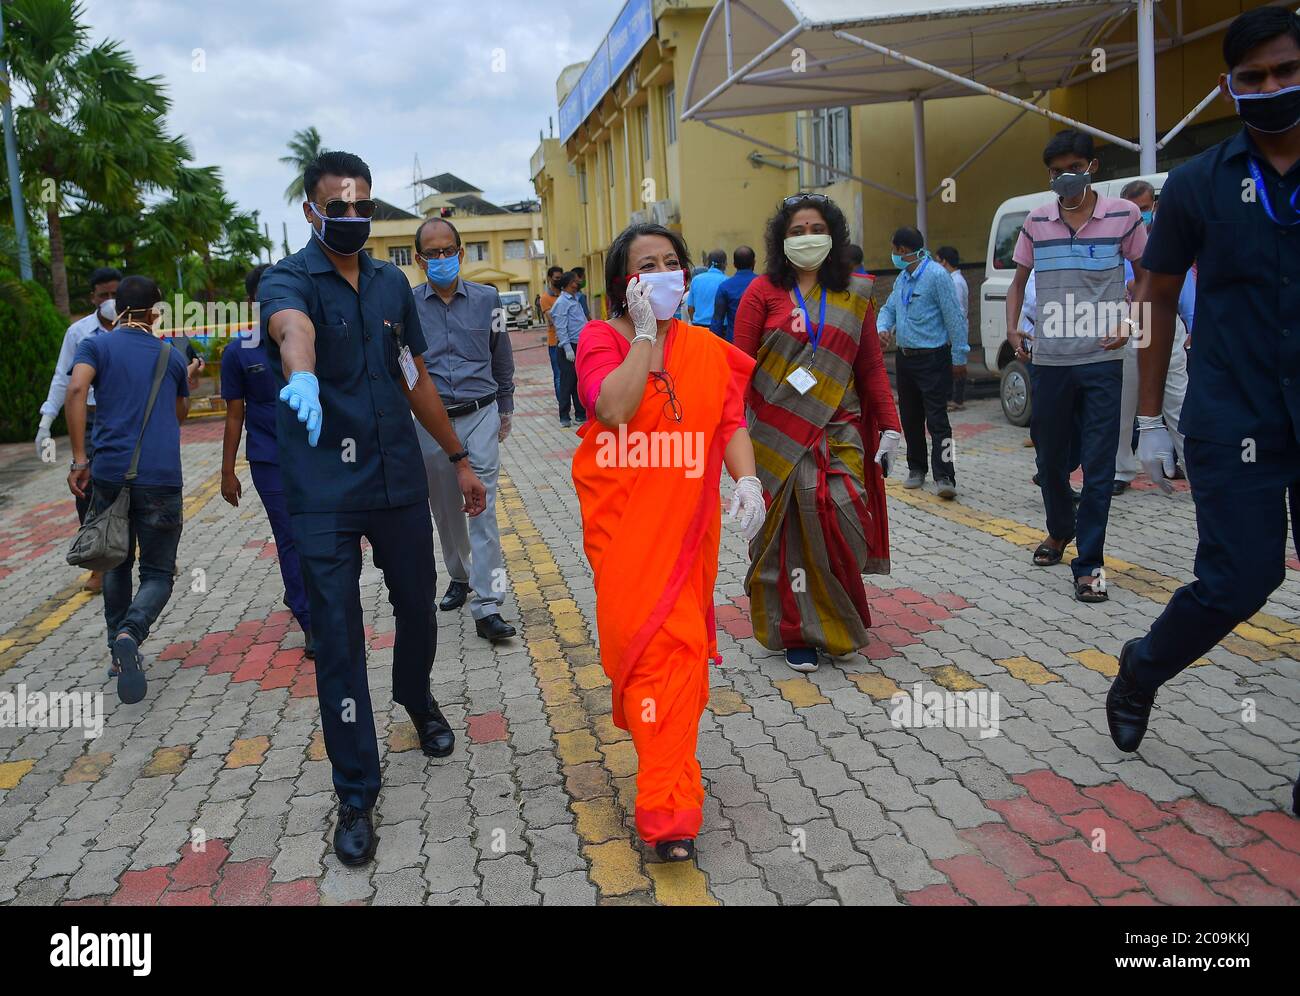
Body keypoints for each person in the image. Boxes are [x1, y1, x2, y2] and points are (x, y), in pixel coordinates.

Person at [257, 150, 487, 866]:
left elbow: (412, 376)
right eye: (339, 208)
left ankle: (416, 698)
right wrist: (301, 374)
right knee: (337, 633)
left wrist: (456, 455)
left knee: (419, 606)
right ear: (311, 211)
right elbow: (295, 330)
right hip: (324, 488)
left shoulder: (392, 285)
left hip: (396, 480)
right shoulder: (287, 278)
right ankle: (355, 789)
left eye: (364, 207)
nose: (353, 219)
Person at [1105, 7, 1300, 818]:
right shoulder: (1197, 183)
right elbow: (1153, 296)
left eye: (1285, 71)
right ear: (1228, 87)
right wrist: (1151, 418)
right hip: (1236, 413)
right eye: (1251, 78)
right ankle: (1143, 667)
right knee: (1239, 580)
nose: (1271, 89)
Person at [571, 222, 761, 861]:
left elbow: (728, 421)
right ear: (624, 284)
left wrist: (749, 480)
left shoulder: (706, 347)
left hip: (685, 535)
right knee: (643, 648)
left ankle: (668, 809)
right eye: (646, 265)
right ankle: (669, 785)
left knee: (676, 658)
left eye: (671, 262)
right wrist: (645, 338)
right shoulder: (601, 338)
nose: (662, 274)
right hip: (625, 537)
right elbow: (612, 411)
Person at [734, 193, 901, 673]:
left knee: (843, 517)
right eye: (797, 231)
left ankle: (833, 617)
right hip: (776, 436)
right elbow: (738, 367)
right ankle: (797, 632)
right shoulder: (761, 293)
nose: (807, 239)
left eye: (816, 229)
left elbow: (869, 365)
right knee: (788, 535)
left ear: (834, 236)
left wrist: (890, 426)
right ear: (781, 240)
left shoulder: (855, 292)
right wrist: (728, 438)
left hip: (840, 431)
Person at [1006, 129, 1147, 603]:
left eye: (1072, 167)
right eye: (1054, 170)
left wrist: (1131, 321)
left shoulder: (1124, 216)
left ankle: (1090, 564)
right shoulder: (1037, 220)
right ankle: (1059, 530)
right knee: (1049, 461)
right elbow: (1017, 282)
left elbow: (1146, 277)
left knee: (1100, 465)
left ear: (1093, 168)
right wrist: (1012, 327)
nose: (1063, 177)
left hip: (1103, 359)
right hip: (1050, 362)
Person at [65, 275, 191, 705]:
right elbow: (180, 412)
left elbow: (77, 388)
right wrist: (184, 376)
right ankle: (130, 633)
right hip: (160, 477)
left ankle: (118, 654)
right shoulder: (170, 355)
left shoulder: (96, 346)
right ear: (155, 313)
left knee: (114, 561)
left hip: (109, 473)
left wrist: (80, 458)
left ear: (115, 307)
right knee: (157, 573)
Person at [411, 216, 518, 643]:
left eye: (448, 250)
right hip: (431, 421)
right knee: (445, 505)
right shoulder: (407, 306)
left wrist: (506, 408)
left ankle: (488, 602)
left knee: (483, 503)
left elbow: (502, 355)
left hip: (481, 412)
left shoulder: (489, 300)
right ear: (419, 259)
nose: (442, 258)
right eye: (432, 253)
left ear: (461, 251)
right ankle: (459, 575)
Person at [220, 263, 314, 659]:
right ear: (251, 301)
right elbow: (234, 414)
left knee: (320, 535)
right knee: (290, 536)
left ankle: (326, 606)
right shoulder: (238, 350)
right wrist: (227, 472)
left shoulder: (309, 338)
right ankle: (309, 620)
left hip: (315, 453)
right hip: (269, 459)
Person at [37, 266, 121, 593]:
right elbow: (64, 379)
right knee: (87, 489)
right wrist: (46, 420)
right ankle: (97, 565)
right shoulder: (78, 333)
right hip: (90, 418)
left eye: (116, 293)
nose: (110, 300)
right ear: (93, 298)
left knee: (139, 485)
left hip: (127, 416)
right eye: (104, 295)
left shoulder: (139, 328)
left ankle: (156, 556)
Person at [1112, 179, 1194, 493]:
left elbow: (1182, 288)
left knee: (1179, 400)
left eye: (1144, 209)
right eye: (1135, 210)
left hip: (1165, 325)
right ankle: (1120, 470)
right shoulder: (1116, 240)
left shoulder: (1169, 235)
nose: (1141, 215)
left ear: (1154, 206)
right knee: (1124, 402)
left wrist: (1193, 323)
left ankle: (1194, 465)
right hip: (1127, 327)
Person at [877, 226, 967, 499]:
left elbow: (954, 317)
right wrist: (883, 328)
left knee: (938, 420)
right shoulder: (903, 278)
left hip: (933, 358)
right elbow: (889, 309)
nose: (892, 255)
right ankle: (917, 468)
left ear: (903, 251)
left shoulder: (937, 276)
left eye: (894, 250)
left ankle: (946, 475)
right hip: (905, 359)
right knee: (910, 417)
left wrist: (959, 356)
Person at [935, 246, 970, 412]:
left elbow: (956, 311)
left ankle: (957, 399)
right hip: (957, 328)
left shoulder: (955, 282)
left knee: (957, 363)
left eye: (938, 261)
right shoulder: (956, 280)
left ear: (944, 261)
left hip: (956, 328)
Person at [550, 271, 587, 426]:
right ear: (566, 284)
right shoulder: (561, 303)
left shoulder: (575, 299)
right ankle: (564, 416)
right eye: (573, 281)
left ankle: (580, 414)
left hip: (579, 345)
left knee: (578, 382)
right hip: (568, 346)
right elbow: (560, 327)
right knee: (567, 383)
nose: (576, 284)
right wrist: (567, 348)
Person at [709, 246, 758, 342]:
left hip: (734, 341)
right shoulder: (763, 284)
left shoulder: (725, 286)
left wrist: (714, 344)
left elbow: (717, 320)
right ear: (754, 263)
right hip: (758, 342)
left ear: (734, 264)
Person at [540, 265, 564, 407]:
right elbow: (553, 319)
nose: (559, 280)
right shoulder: (545, 298)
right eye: (556, 278)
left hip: (570, 340)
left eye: (561, 278)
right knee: (559, 375)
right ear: (549, 278)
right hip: (555, 342)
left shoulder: (565, 294)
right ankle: (563, 406)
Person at [684, 248, 726, 327]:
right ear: (724, 264)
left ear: (707, 263)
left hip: (699, 325)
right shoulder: (726, 280)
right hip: (720, 327)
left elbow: (690, 308)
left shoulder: (696, 280)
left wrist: (694, 322)